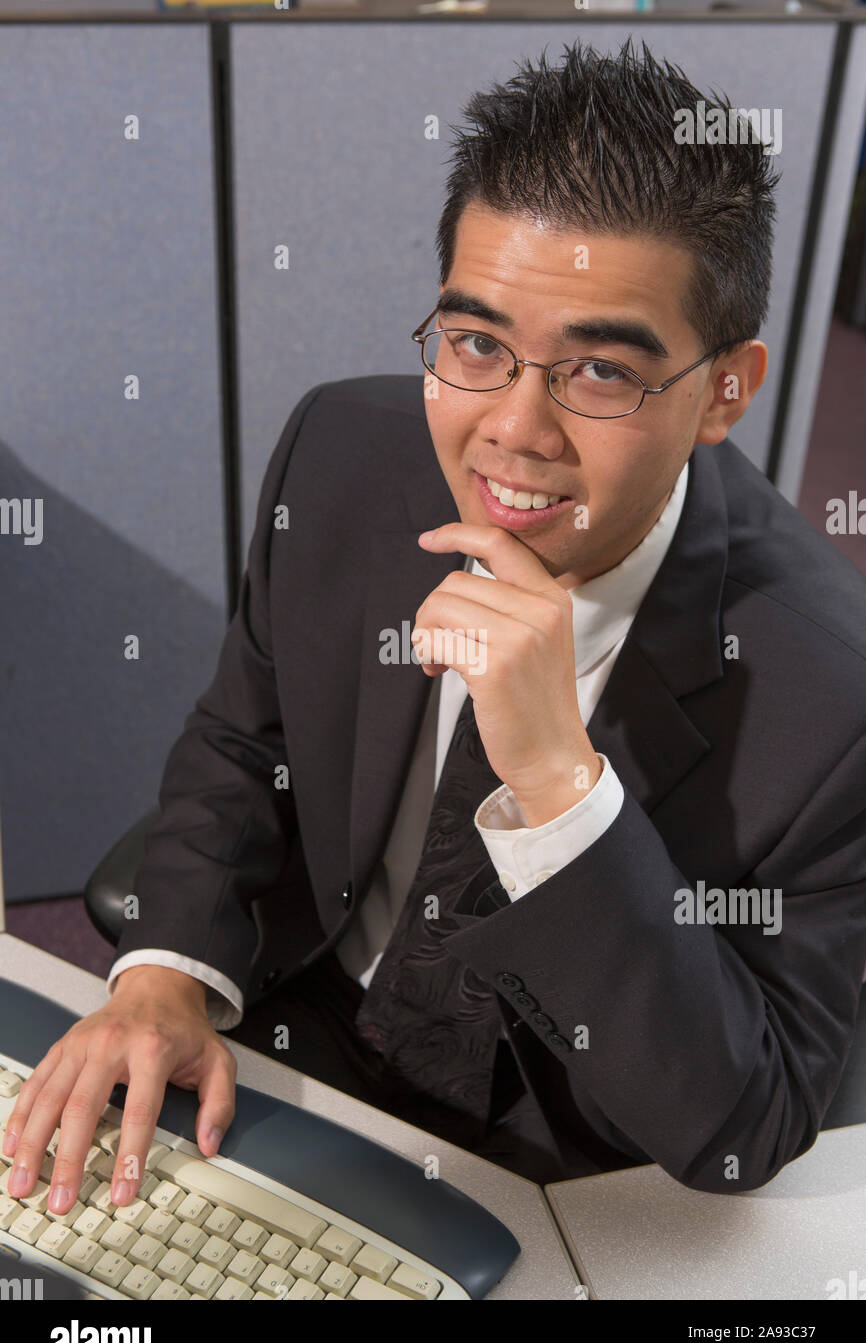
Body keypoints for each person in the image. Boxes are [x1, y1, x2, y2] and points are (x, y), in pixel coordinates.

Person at [5, 38, 866, 1216]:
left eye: (600, 372)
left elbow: (747, 1120)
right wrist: (162, 975)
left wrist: (562, 786)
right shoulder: (344, 454)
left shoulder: (830, 696)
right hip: (294, 1036)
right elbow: (241, 740)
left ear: (724, 388)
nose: (511, 431)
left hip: (563, 1164)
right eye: (475, 345)